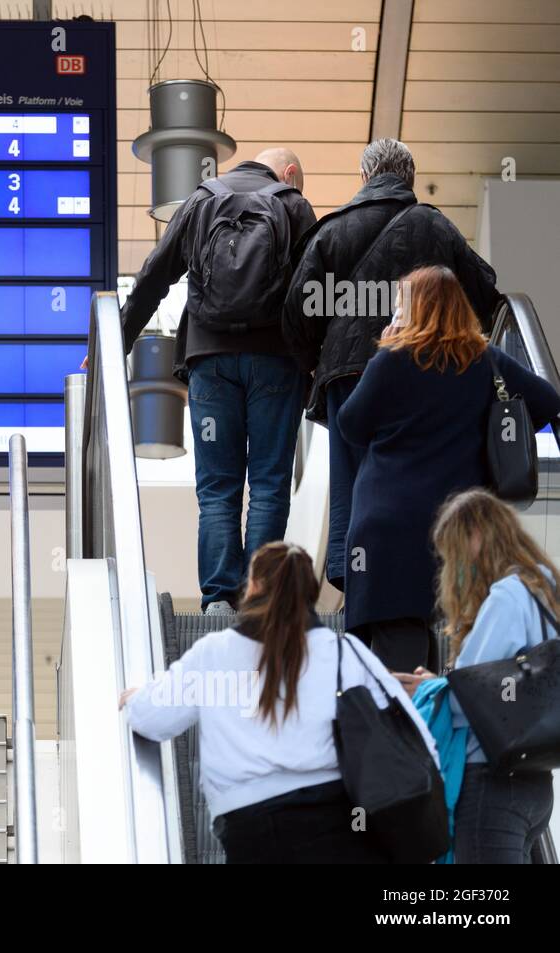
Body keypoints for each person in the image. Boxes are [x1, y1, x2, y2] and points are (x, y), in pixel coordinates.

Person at [125, 541, 438, 863]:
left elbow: (151, 719)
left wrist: (137, 697)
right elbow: (417, 735)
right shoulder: (347, 653)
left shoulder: (215, 653)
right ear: (311, 594)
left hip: (249, 826)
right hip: (339, 821)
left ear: (254, 586)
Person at [282, 138, 502, 594]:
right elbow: (485, 293)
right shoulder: (435, 227)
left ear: (364, 178)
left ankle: (354, 580)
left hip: (345, 375)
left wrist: (318, 368)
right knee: (415, 469)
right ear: (411, 179)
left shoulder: (333, 230)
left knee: (351, 478)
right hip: (421, 365)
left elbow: (296, 313)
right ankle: (421, 583)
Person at [118, 148, 317, 613]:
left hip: (210, 361)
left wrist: (117, 339)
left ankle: (218, 599)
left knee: (217, 487)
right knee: (268, 483)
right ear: (289, 173)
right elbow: (317, 292)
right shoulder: (292, 204)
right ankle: (262, 598)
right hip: (275, 360)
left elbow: (154, 275)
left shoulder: (202, 198)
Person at [335, 266, 560, 672]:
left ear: (417, 309)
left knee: (396, 668)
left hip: (388, 529)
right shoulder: (487, 361)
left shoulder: (393, 361)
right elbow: (547, 401)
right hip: (454, 530)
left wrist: (382, 353)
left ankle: (402, 733)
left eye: (401, 305)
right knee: (433, 658)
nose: (395, 315)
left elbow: (351, 425)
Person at [400, 489, 557, 863]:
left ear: (476, 537)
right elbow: (504, 682)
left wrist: (430, 687)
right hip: (536, 781)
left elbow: (468, 699)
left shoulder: (507, 595)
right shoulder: (546, 589)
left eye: (453, 552)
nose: (453, 567)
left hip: (491, 782)